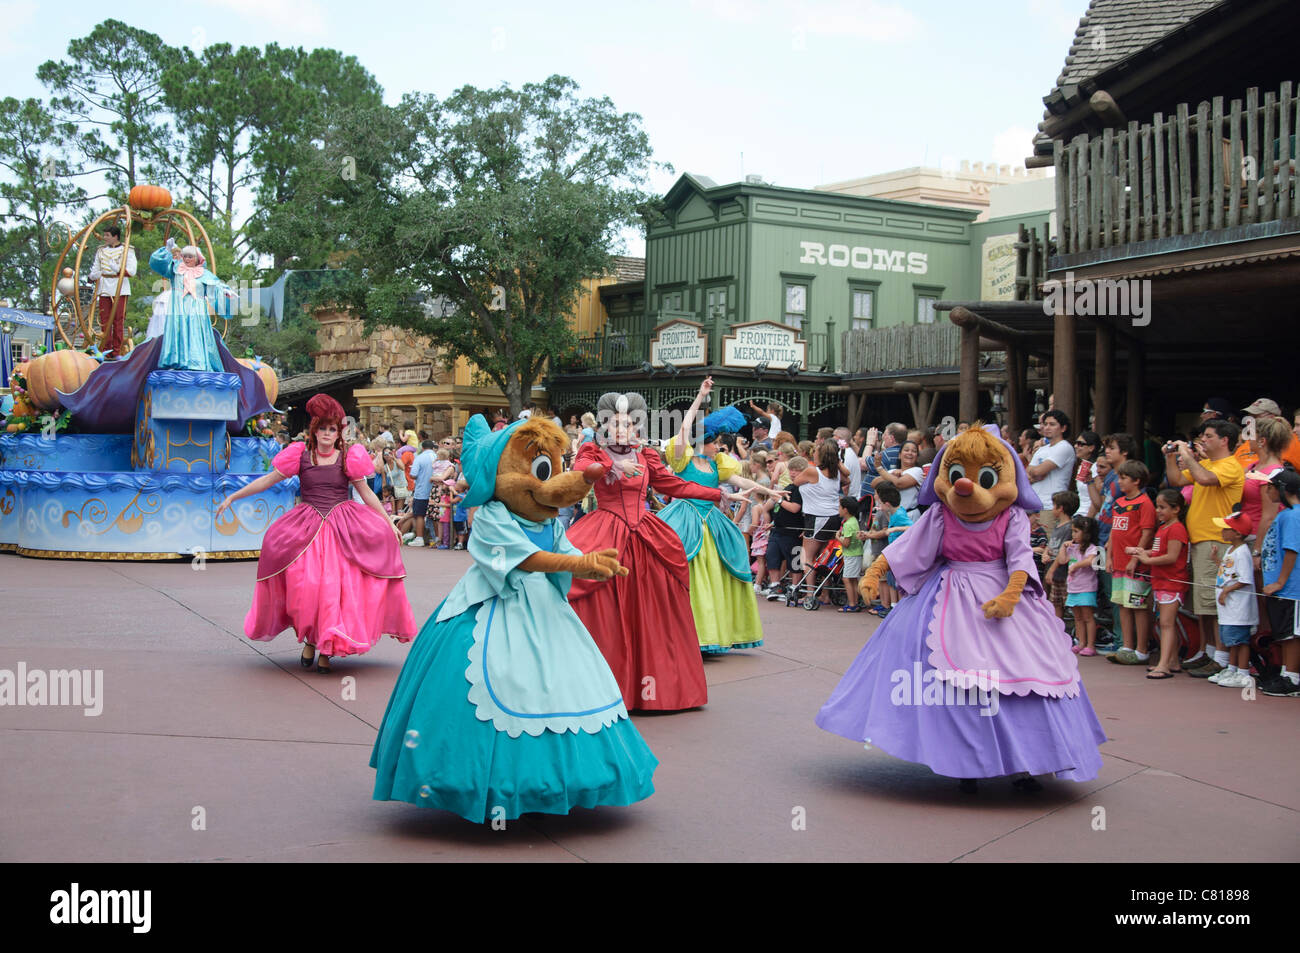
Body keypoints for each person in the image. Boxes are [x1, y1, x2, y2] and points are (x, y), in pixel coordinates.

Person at [370, 413, 657, 822]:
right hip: (493, 603)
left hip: (546, 611)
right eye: (541, 470)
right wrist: (579, 564)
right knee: (489, 686)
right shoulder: (492, 516)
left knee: (563, 685)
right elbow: (524, 559)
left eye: (555, 469)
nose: (554, 483)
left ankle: (558, 781)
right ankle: (479, 782)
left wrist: (588, 565)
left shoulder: (546, 519)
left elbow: (564, 552)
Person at [817, 424, 1105, 790]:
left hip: (1001, 601)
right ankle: (965, 763)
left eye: (985, 476)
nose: (966, 487)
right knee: (945, 682)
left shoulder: (1012, 516)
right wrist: (876, 570)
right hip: (947, 597)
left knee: (1019, 679)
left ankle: (1027, 762)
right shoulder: (941, 515)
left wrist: (1013, 592)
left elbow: (1019, 558)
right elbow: (912, 546)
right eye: (955, 475)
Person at [218, 394, 417, 673]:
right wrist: (233, 497)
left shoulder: (349, 456)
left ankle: (326, 646)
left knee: (333, 589)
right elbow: (266, 480)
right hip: (307, 528)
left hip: (341, 528)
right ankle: (310, 639)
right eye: (322, 429)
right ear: (315, 430)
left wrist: (387, 520)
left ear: (338, 433)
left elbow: (367, 493)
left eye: (332, 429)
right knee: (305, 587)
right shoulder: (299, 455)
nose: (326, 434)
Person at [566, 390, 733, 710]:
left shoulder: (645, 456)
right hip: (605, 532)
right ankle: (602, 688)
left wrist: (714, 493)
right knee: (594, 594)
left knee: (654, 605)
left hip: (644, 535)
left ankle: (653, 688)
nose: (621, 429)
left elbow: (674, 485)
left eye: (627, 424)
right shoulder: (592, 451)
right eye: (614, 423)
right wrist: (612, 469)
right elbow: (581, 472)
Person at [660, 378, 784, 653]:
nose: (719, 446)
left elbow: (743, 483)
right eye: (715, 442)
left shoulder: (718, 465)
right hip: (684, 518)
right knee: (686, 574)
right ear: (703, 441)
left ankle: (712, 634)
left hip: (711, 524)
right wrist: (700, 396)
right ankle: (681, 634)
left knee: (721, 571)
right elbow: (683, 428)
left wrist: (771, 492)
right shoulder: (683, 458)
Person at [1165, 418, 1245, 679]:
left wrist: (1187, 455)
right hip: (1202, 540)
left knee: (1215, 603)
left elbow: (1204, 478)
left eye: (1209, 436)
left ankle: (1221, 657)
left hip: (1217, 541)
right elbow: (1177, 479)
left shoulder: (1230, 465)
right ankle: (1210, 652)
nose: (1204, 439)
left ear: (1224, 440)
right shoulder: (1207, 463)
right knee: (1204, 604)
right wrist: (1171, 456)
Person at [1129, 489, 1189, 678]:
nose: (1158, 511)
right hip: (1161, 582)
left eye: (1162, 507)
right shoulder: (1163, 528)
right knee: (1165, 623)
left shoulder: (1176, 528)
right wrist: (1142, 552)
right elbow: (1158, 552)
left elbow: (1171, 556)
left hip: (1172, 582)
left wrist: (1147, 560)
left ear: (1176, 509)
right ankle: (1172, 661)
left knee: (1166, 624)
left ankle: (1163, 665)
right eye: (1158, 507)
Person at [1106, 461, 1157, 666]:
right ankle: (1127, 646)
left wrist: (1136, 558)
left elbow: (1147, 533)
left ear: (1136, 481)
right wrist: (1108, 557)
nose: (1119, 482)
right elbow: (1113, 533)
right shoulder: (1118, 503)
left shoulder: (1145, 503)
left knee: (1138, 605)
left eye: (1123, 478)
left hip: (1135, 565)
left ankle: (1142, 649)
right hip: (1117, 563)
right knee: (1122, 605)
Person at [1205, 511, 1258, 689]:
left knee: (1239, 641)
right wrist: (1216, 560)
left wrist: (1226, 591)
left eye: (1226, 529)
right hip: (1228, 609)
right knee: (1231, 640)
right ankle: (1232, 668)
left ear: (1237, 533)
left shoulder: (1243, 552)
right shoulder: (1230, 549)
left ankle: (1242, 673)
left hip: (1238, 607)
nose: (1222, 531)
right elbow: (1230, 570)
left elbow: (1244, 579)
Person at [791, 440, 849, 603]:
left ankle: (810, 594)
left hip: (816, 517)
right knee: (823, 556)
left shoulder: (812, 471)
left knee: (807, 556)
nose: (813, 453)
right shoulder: (836, 472)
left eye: (815, 451)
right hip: (833, 517)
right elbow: (847, 480)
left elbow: (796, 482)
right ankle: (825, 594)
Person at [1259, 468, 1300, 696]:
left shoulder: (1293, 515)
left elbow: (1292, 550)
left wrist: (1280, 582)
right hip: (1282, 588)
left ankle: (1292, 678)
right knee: (1283, 633)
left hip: (1291, 588)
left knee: (1292, 634)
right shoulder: (1285, 514)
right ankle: (1286, 672)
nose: (1267, 491)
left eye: (1271, 487)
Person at [87, 225, 137, 359]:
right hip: (104, 287)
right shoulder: (101, 251)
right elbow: (96, 268)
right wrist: (93, 276)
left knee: (118, 320)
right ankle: (106, 349)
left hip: (120, 287)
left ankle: (117, 351)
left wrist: (118, 270)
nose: (104, 238)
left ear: (115, 236)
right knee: (105, 320)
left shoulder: (128, 250)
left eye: (107, 235)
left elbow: (132, 271)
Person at [762, 456, 805, 601]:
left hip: (792, 530)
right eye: (791, 470)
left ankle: (795, 587)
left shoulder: (802, 489)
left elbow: (795, 508)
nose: (792, 473)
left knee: (795, 559)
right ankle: (776, 585)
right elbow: (781, 509)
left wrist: (778, 499)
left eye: (796, 471)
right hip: (778, 528)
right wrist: (773, 523)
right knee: (771, 556)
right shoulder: (789, 487)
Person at [1026, 409, 1075, 535]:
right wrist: (1036, 472)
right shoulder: (1042, 450)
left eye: (1052, 424)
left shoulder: (1064, 447)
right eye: (1045, 424)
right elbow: (1028, 474)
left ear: (1063, 428)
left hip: (1051, 506)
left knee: (1048, 547)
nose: (1047, 427)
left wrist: (1036, 472)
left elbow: (1038, 471)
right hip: (1034, 506)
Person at [1058, 515, 1101, 656]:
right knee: (1077, 617)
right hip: (1073, 588)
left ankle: (1090, 645)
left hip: (1086, 588)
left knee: (1088, 617)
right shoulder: (1072, 547)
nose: (1073, 535)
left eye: (1076, 531)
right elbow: (1062, 560)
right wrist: (1063, 547)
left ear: (1086, 533)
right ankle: (1081, 642)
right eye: (1072, 531)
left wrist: (1076, 565)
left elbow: (1090, 561)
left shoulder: (1092, 548)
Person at [871, 439, 923, 521]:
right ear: (899, 455)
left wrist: (879, 468)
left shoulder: (917, 471)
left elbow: (899, 484)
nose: (910, 453)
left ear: (917, 456)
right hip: (891, 517)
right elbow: (874, 484)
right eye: (906, 450)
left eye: (914, 451)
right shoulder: (892, 472)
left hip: (909, 516)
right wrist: (892, 475)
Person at [406, 440, 436, 547]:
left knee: (419, 514)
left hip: (422, 489)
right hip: (435, 491)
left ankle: (419, 537)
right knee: (435, 515)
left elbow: (413, 474)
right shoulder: (436, 456)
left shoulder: (419, 457)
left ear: (422, 448)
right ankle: (435, 537)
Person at [1073, 431, 1100, 516]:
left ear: (1091, 447)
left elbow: (1097, 497)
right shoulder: (1083, 465)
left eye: (1080, 444)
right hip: (1080, 513)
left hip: (1089, 516)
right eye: (1076, 443)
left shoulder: (1096, 467)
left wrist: (1088, 519)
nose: (1075, 446)